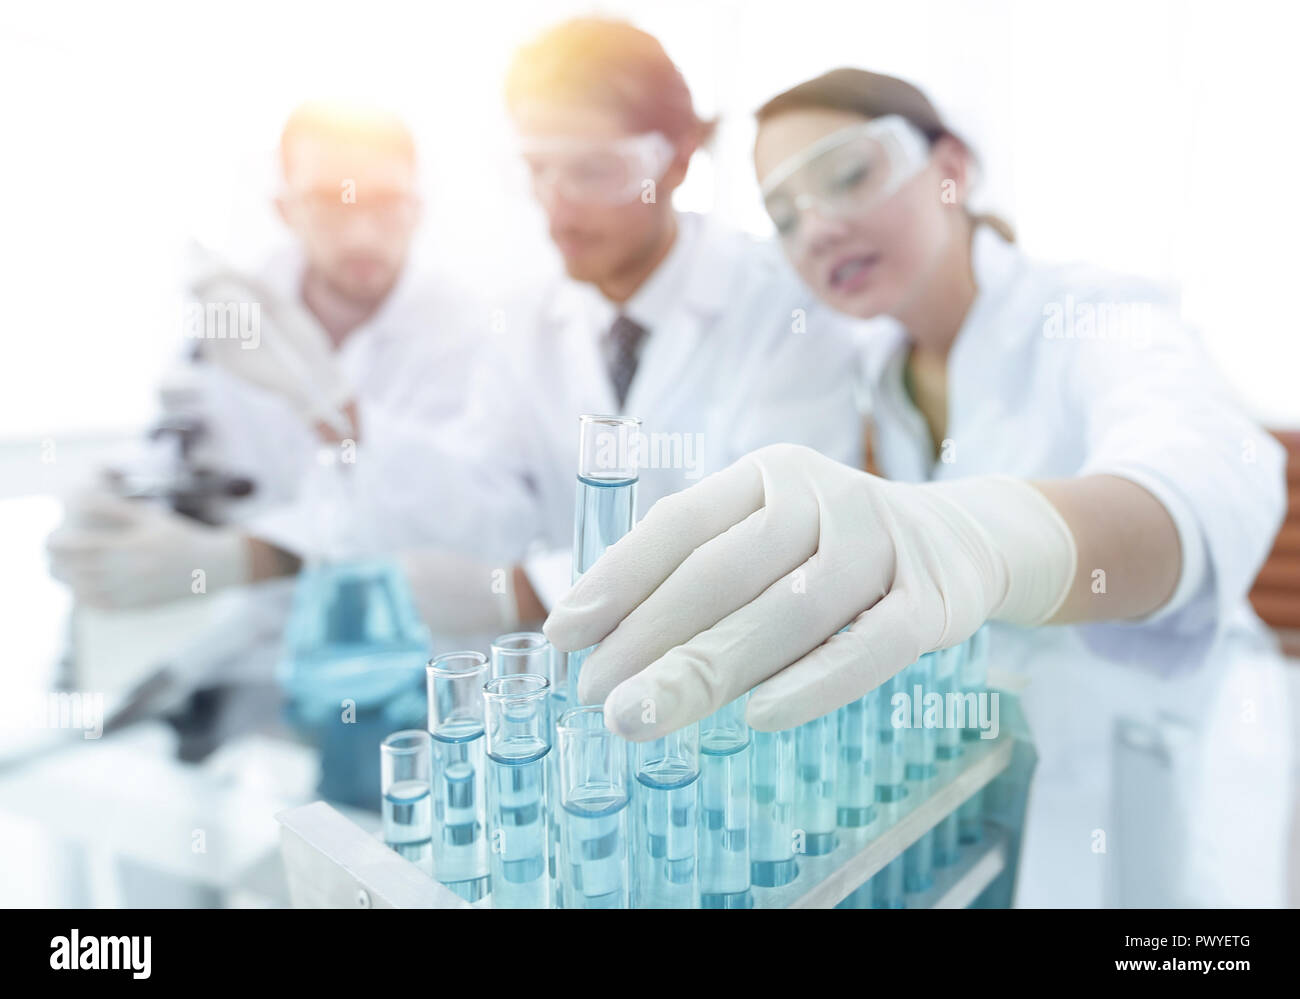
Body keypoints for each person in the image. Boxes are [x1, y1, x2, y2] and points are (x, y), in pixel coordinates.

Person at [543, 68, 1292, 907]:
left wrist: (995, 543)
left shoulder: (1096, 315)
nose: (816, 229)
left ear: (952, 170)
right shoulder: (874, 368)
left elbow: (1204, 484)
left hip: (1169, 790)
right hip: (986, 790)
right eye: (784, 217)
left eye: (848, 175)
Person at [225, 18, 867, 636]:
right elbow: (490, 504)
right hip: (589, 696)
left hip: (741, 694)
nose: (557, 206)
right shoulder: (525, 321)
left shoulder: (781, 308)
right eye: (538, 169)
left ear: (676, 162)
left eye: (592, 171)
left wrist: (531, 591)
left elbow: (777, 531)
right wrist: (337, 410)